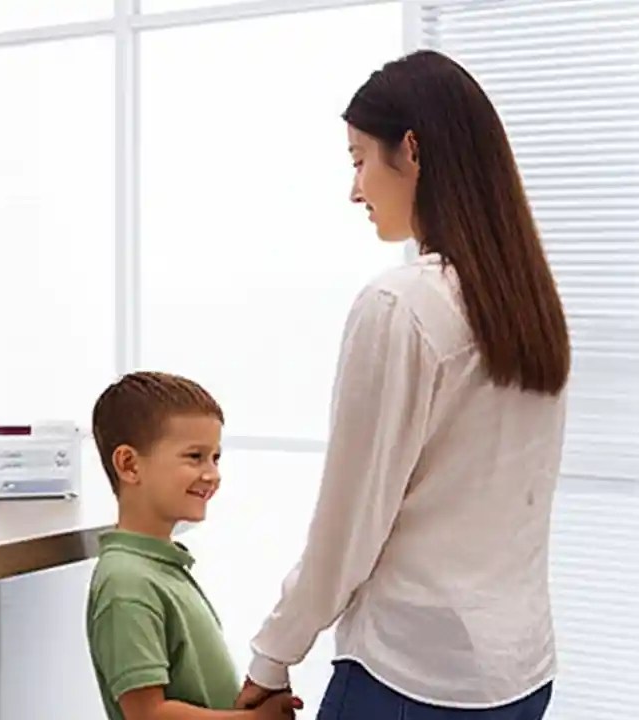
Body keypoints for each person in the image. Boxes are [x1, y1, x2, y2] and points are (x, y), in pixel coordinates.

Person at [235, 50, 570, 718]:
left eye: (359, 159)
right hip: (520, 673)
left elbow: (346, 529)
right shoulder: (527, 304)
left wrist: (271, 658)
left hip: (413, 678)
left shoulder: (402, 305)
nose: (354, 189)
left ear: (411, 151)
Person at [87, 371, 303, 720]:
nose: (212, 474)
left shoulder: (158, 570)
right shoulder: (126, 584)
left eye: (215, 458)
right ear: (129, 464)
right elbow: (148, 715)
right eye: (194, 457)